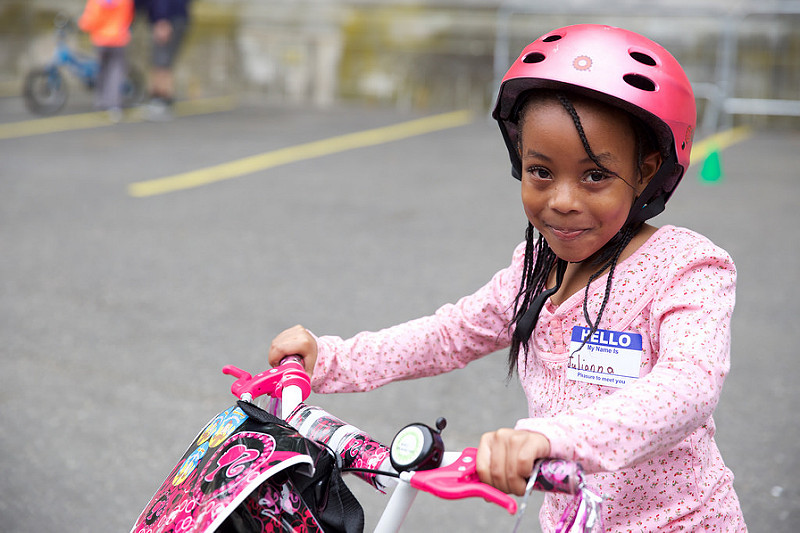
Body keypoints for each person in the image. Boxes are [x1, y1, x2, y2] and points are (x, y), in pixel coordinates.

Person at [267, 24, 746, 531]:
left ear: (647, 171)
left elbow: (688, 386)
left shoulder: (687, 267)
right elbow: (450, 334)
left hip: (684, 522)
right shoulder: (535, 271)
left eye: (594, 176)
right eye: (542, 171)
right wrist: (332, 359)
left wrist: (551, 438)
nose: (562, 200)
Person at [78, 0, 134, 122]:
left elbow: (90, 20)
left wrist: (82, 24)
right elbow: (129, 16)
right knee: (116, 73)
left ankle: (101, 102)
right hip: (119, 38)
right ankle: (114, 104)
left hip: (101, 39)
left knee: (102, 71)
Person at [138, 0, 191, 120]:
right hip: (179, 17)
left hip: (166, 21)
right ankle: (163, 101)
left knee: (161, 61)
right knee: (165, 61)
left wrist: (162, 19)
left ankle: (161, 100)